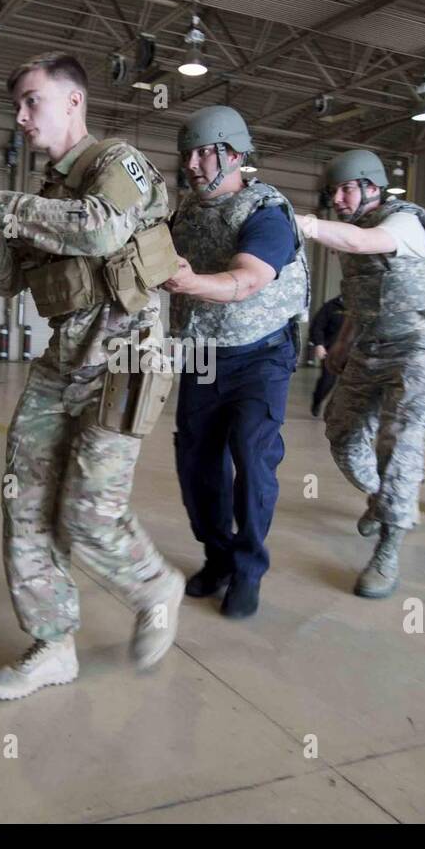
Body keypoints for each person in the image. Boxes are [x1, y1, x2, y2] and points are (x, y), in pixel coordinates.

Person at [0, 52, 184, 699]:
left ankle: (155, 587)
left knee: (86, 514)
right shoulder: (42, 196)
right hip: (63, 361)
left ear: (73, 101)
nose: (22, 117)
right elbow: (4, 285)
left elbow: (105, 231)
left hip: (126, 357)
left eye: (32, 101)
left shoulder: (116, 163)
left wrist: (8, 206)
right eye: (17, 106)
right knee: (23, 501)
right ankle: (53, 644)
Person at [163, 105, 310, 619]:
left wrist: (188, 283)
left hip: (261, 354)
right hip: (203, 353)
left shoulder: (266, 212)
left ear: (237, 154)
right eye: (190, 153)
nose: (195, 164)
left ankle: (249, 570)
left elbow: (247, 280)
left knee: (251, 457)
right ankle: (218, 557)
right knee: (197, 463)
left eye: (207, 151)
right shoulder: (184, 212)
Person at [294, 150, 425, 599]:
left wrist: (305, 224)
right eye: (334, 192)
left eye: (348, 189)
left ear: (373, 188)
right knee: (341, 431)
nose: (339, 199)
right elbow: (360, 300)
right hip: (370, 345)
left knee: (399, 443)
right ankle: (383, 499)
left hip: (417, 347)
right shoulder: (353, 232)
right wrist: (342, 344)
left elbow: (365, 243)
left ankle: (388, 550)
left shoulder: (403, 221)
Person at [307, 294, 345, 417]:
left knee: (348, 384)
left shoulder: (362, 306)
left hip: (355, 351)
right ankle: (317, 401)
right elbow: (317, 326)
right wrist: (319, 344)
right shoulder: (331, 306)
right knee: (327, 381)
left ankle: (335, 412)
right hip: (332, 351)